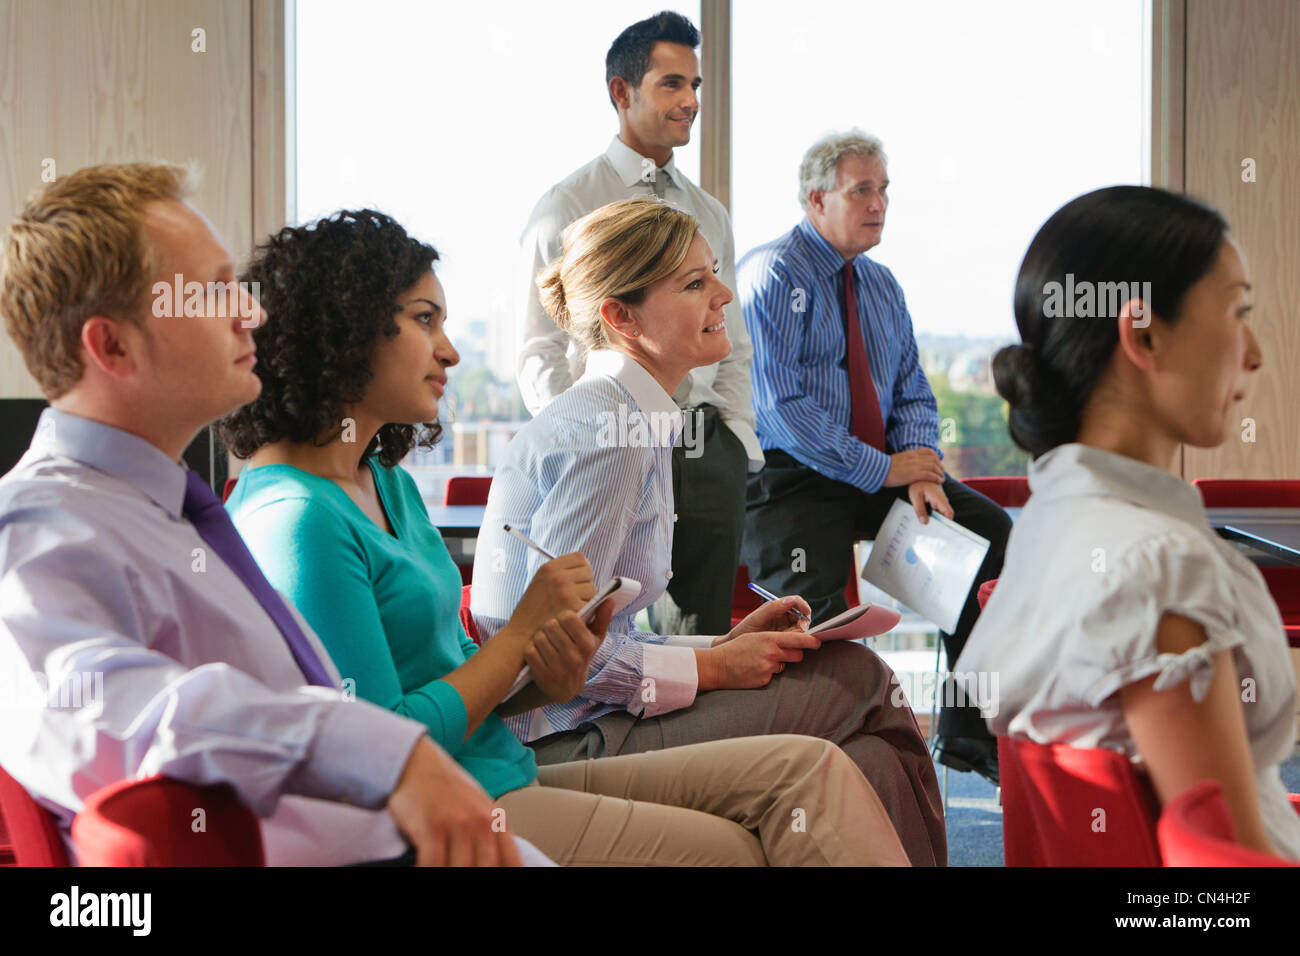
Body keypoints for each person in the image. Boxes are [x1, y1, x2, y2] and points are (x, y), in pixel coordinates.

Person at [218, 207, 911, 866]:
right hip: (470, 796)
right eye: (424, 320)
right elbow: (376, 749)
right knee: (782, 802)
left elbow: (476, 668)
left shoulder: (385, 483)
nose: (451, 351)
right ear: (344, 331)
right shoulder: (299, 519)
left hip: (502, 764)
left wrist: (547, 667)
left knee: (815, 769)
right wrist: (528, 643)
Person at [0, 162, 545, 866]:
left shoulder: (169, 510)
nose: (251, 313)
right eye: (214, 291)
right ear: (112, 346)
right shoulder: (39, 526)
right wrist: (386, 754)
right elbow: (113, 710)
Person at [474, 197, 946, 866]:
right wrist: (713, 666)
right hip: (566, 736)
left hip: (589, 717)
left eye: (713, 273)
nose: (724, 293)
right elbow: (570, 662)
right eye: (695, 283)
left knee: (866, 740)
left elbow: (610, 632)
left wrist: (720, 644)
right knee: (861, 684)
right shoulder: (608, 435)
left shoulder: (629, 416)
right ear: (620, 316)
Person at [958, 184, 1300, 859]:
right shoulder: (1160, 567)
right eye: (1238, 311)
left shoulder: (1051, 525)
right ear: (1143, 332)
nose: (1255, 352)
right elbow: (1226, 875)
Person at [737, 130, 1012, 785]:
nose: (879, 202)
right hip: (791, 475)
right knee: (820, 626)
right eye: (862, 189)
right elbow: (784, 409)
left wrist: (918, 468)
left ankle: (967, 732)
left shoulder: (883, 286)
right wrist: (885, 469)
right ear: (816, 198)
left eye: (884, 189)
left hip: (876, 468)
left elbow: (914, 390)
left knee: (988, 532)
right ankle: (814, 765)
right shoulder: (771, 275)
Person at [517, 11, 758, 636]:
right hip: (608, 433)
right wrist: (582, 437)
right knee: (599, 625)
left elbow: (729, 337)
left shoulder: (708, 212)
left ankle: (706, 737)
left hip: (700, 440)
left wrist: (734, 435)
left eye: (697, 86)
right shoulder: (566, 207)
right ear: (621, 93)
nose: (691, 102)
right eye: (672, 84)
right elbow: (538, 350)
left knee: (701, 635)